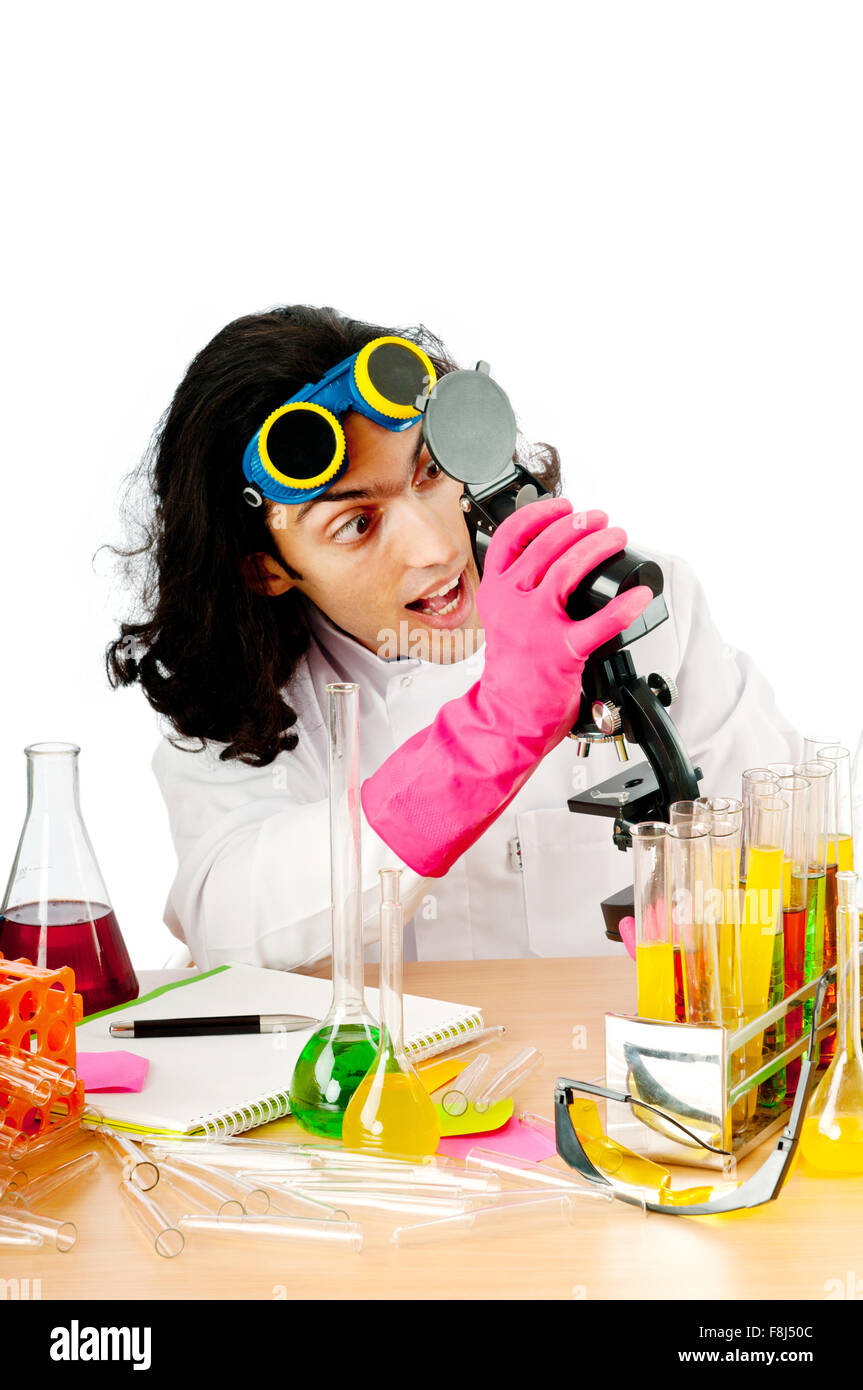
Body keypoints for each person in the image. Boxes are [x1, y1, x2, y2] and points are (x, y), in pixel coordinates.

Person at [106, 304, 801, 971]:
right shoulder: (238, 697)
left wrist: (722, 913)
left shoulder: (628, 605)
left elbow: (786, 829)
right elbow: (229, 921)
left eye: (430, 473)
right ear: (264, 569)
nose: (436, 547)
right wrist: (494, 731)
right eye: (357, 524)